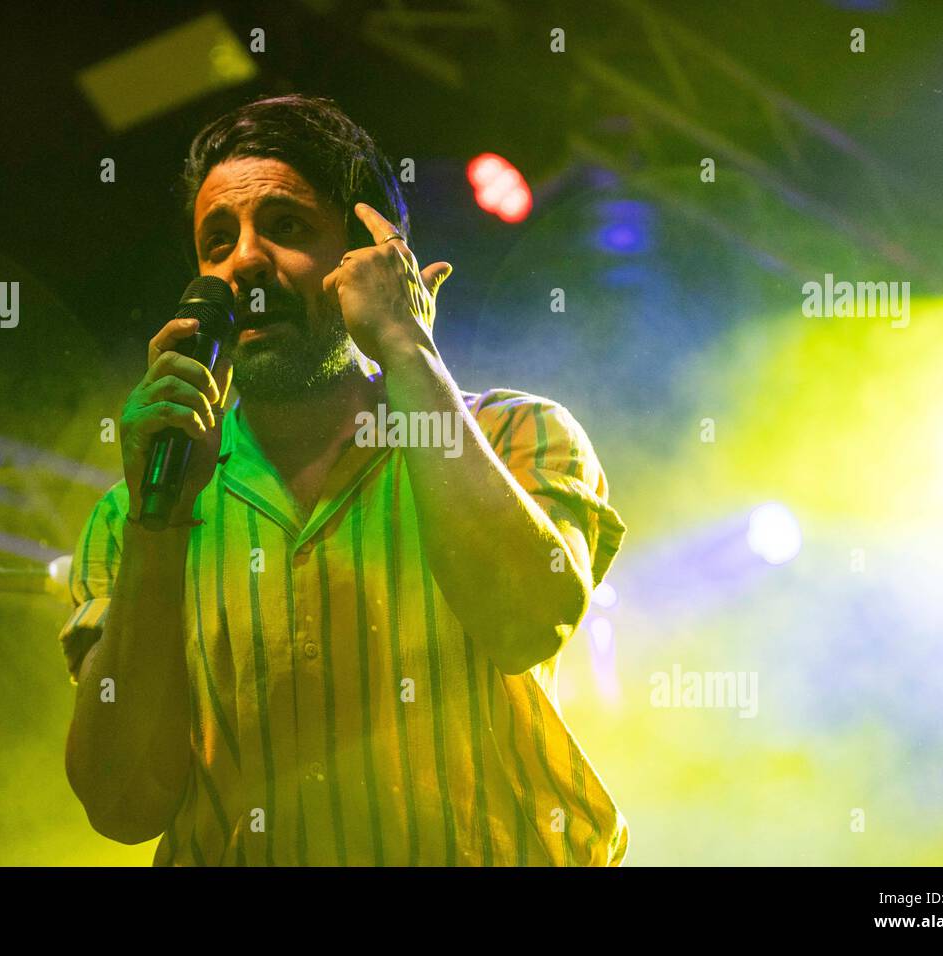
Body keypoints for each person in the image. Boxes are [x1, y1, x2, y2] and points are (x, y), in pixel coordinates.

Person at [60, 93, 628, 866]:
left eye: (286, 227)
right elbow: (123, 805)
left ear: (371, 257)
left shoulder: (516, 434)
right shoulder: (132, 514)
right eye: (216, 241)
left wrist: (406, 346)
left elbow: (525, 619)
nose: (244, 263)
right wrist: (159, 527)